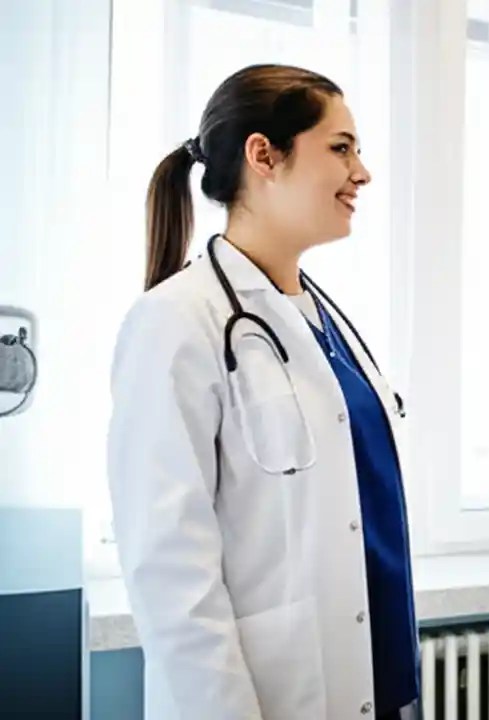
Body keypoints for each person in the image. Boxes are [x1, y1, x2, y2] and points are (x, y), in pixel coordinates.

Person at [107, 64, 419, 720]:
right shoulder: (177, 321)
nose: (361, 172)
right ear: (263, 155)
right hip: (270, 694)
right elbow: (170, 573)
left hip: (375, 681)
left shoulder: (319, 319)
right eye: (341, 148)